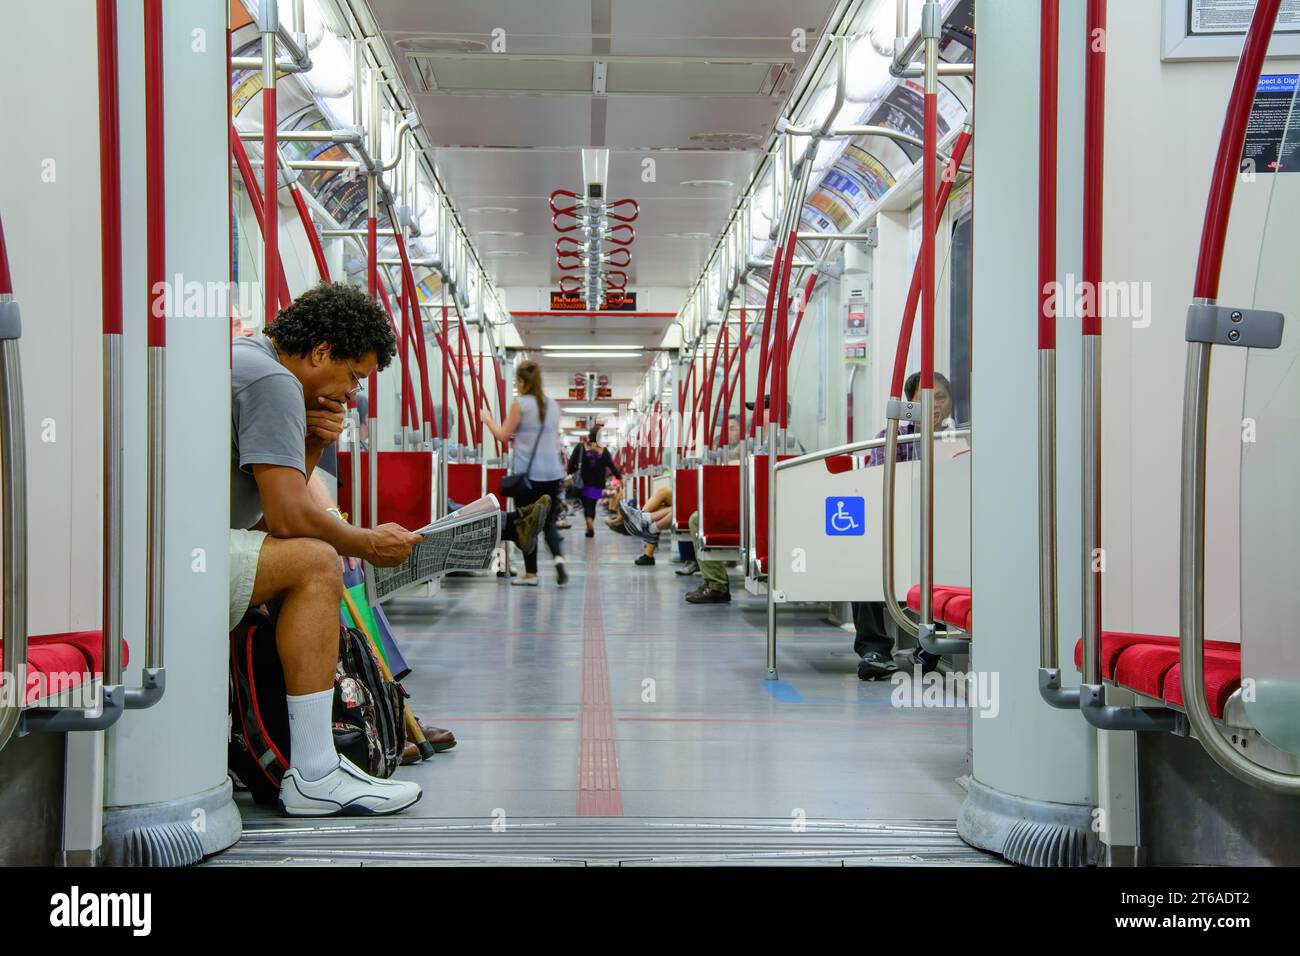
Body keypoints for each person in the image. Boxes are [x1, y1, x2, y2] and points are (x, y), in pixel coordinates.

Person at [229, 281, 425, 816]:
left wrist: (314, 441)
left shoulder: (253, 362)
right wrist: (365, 542)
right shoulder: (272, 381)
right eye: (353, 376)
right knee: (318, 563)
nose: (353, 393)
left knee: (302, 555)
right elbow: (293, 521)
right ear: (320, 352)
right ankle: (314, 772)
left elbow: (270, 517)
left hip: (177, 551)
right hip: (172, 561)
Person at [856, 371, 956, 679]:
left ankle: (931, 648)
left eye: (940, 397)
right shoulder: (892, 439)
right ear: (909, 404)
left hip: (948, 533)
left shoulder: (962, 436)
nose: (935, 405)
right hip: (900, 530)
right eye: (925, 399)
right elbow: (877, 489)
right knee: (866, 563)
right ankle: (875, 649)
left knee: (948, 562)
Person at [482, 360, 568, 586]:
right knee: (548, 520)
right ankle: (558, 559)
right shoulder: (553, 406)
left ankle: (531, 573)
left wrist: (488, 420)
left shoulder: (520, 404)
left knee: (527, 523)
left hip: (528, 476)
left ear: (521, 381)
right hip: (553, 473)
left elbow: (502, 435)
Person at [569, 426, 621, 538]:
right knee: (591, 504)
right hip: (597, 484)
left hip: (582, 483)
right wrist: (619, 476)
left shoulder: (580, 447)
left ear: (589, 436)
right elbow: (612, 466)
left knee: (586, 504)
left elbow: (571, 462)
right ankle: (589, 522)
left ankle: (589, 523)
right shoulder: (604, 450)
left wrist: (571, 472)